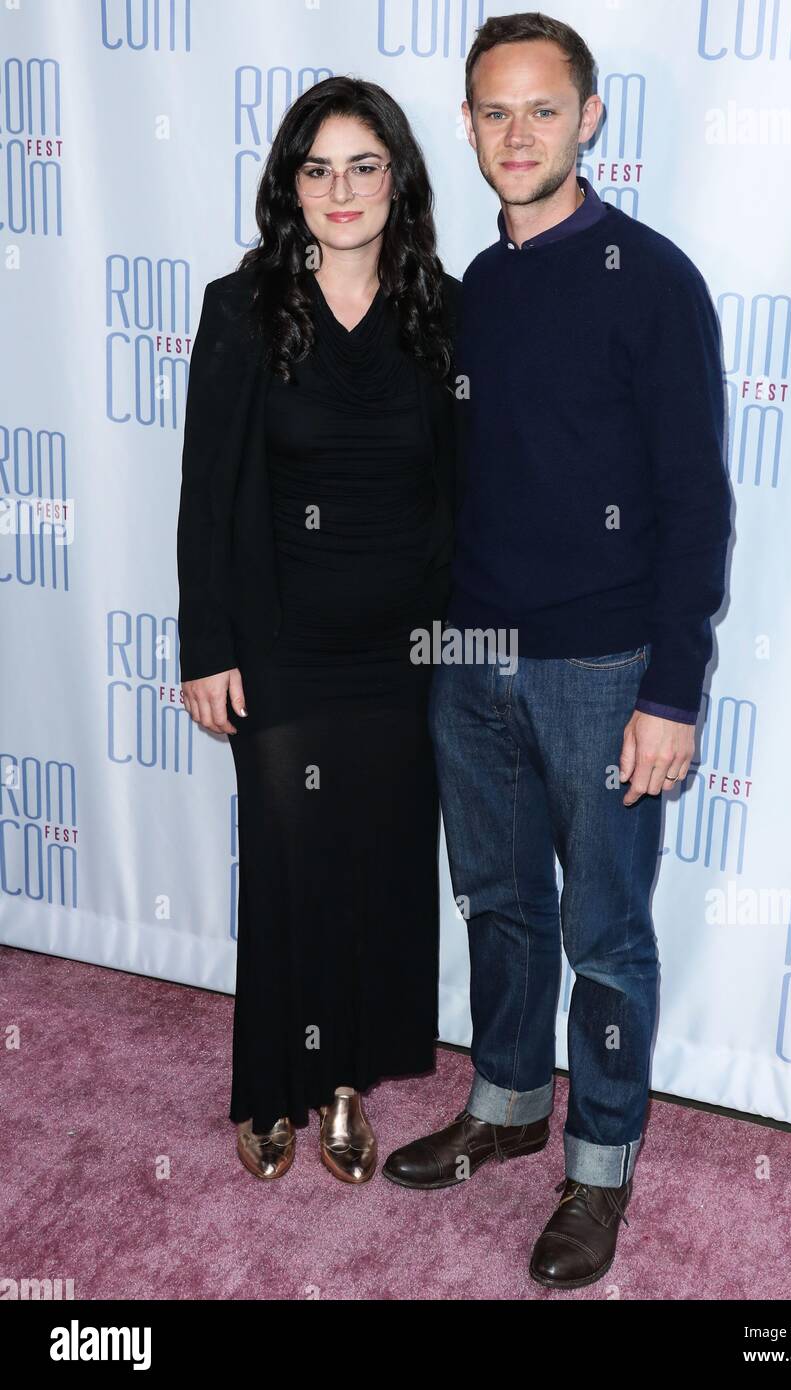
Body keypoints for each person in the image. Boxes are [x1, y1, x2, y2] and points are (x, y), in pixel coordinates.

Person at [382, 13, 733, 1288]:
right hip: (467, 653)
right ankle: (509, 1099)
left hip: (599, 669)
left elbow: (698, 504)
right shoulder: (474, 293)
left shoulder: (652, 279)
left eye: (542, 108)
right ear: (467, 126)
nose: (515, 133)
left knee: (605, 930)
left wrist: (671, 691)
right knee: (500, 905)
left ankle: (598, 1166)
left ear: (590, 117)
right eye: (492, 111)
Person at [176, 76, 459, 1185]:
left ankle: (343, 1086)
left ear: (398, 178)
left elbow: (464, 486)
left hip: (405, 653)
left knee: (379, 869)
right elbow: (207, 493)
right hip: (284, 645)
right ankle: (269, 1088)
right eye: (318, 167)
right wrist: (207, 645)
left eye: (364, 165)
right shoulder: (241, 308)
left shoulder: (442, 307)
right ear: (291, 185)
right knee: (293, 866)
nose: (342, 190)